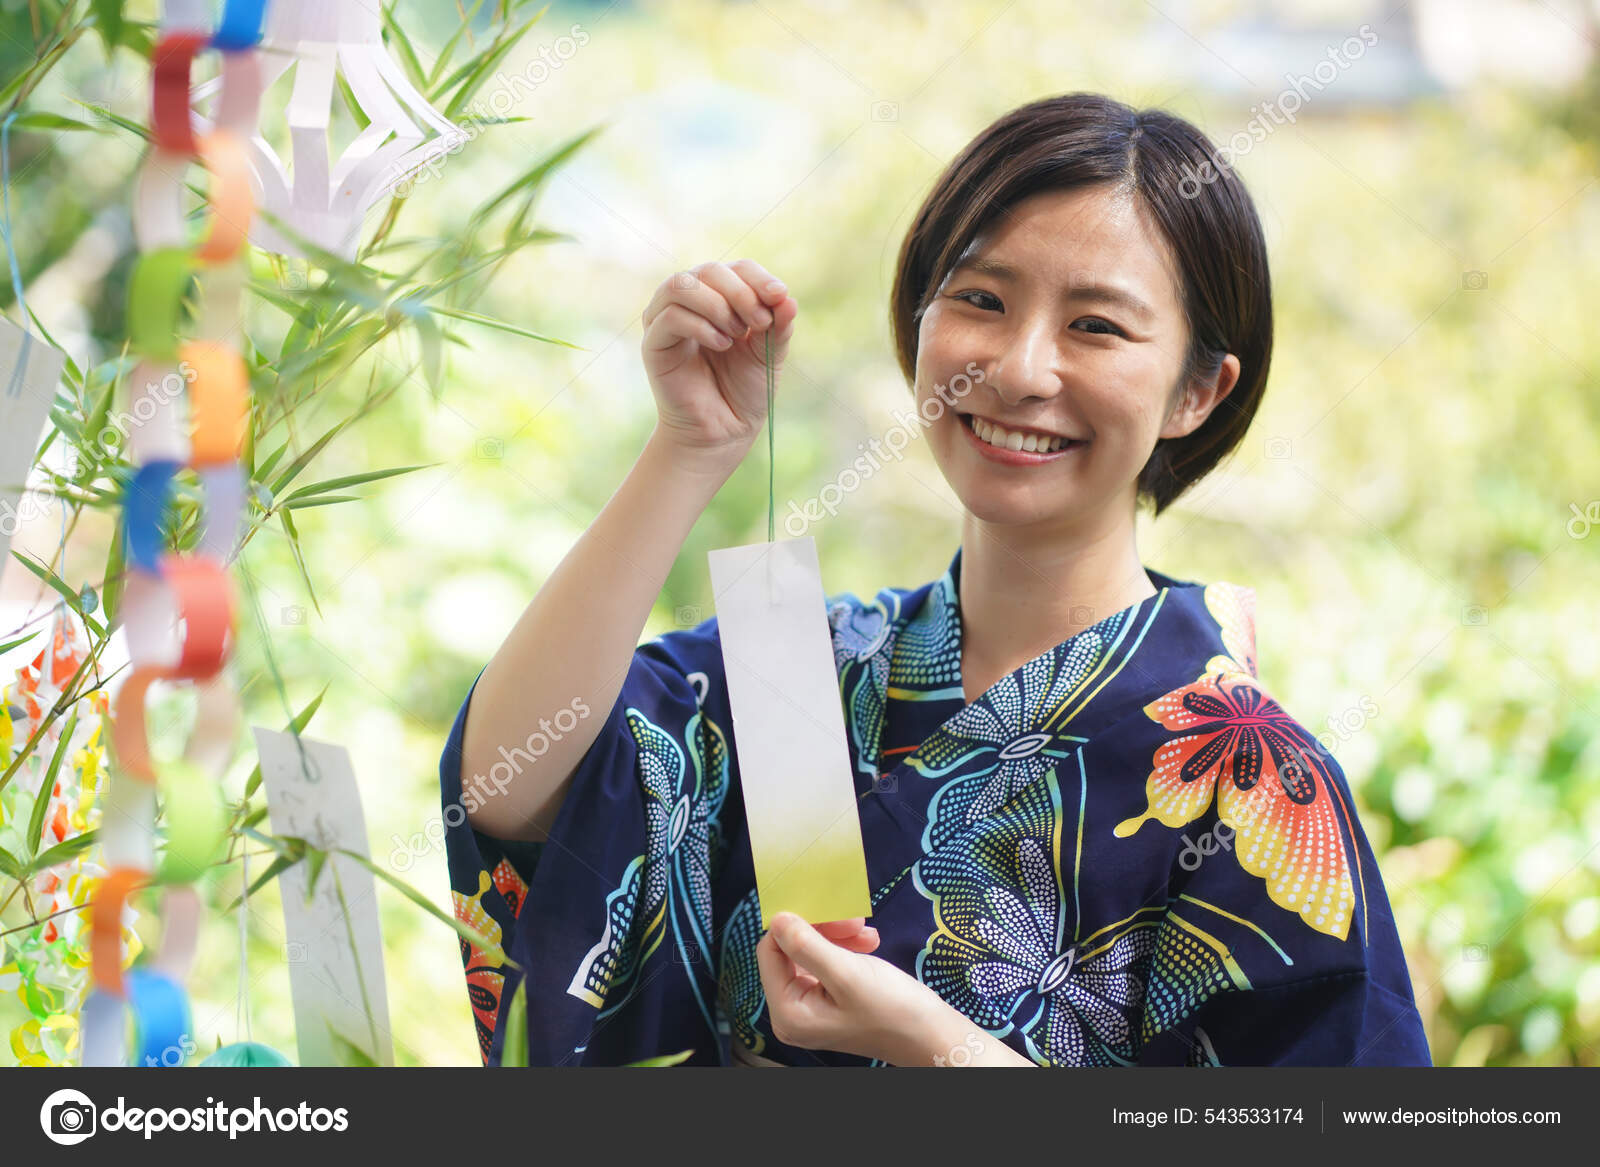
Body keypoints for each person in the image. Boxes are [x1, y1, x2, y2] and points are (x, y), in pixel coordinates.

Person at [438, 92, 1432, 1068]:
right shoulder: (801, 670)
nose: (1018, 367)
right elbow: (511, 791)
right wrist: (688, 451)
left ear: (1197, 390)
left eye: (1096, 326)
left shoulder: (1252, 783)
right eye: (980, 300)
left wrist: (936, 1048)